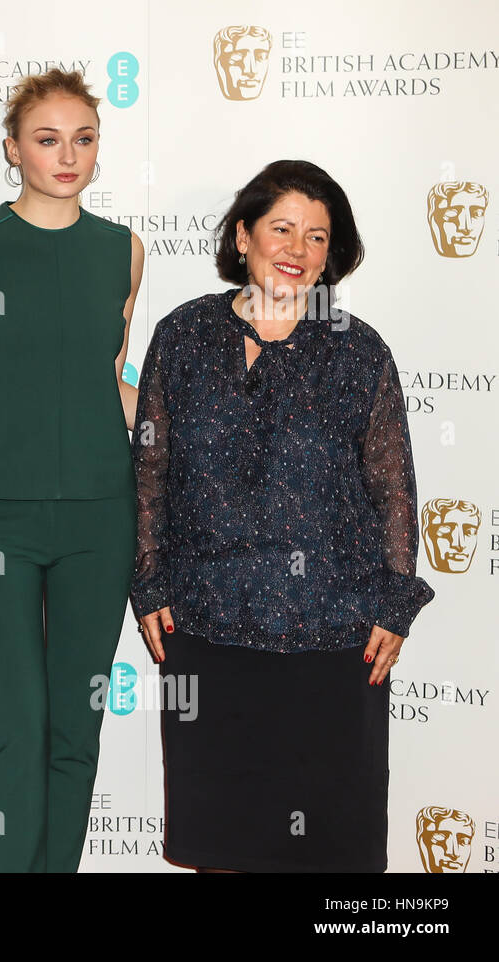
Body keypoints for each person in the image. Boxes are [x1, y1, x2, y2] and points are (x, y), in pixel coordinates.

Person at [131, 159, 435, 873]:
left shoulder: (358, 350)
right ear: (243, 236)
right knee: (222, 846)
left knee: (328, 850)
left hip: (334, 637)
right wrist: (147, 582)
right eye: (283, 229)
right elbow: (150, 471)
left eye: (319, 238)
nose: (299, 250)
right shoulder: (182, 336)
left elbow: (393, 486)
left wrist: (395, 604)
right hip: (208, 630)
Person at [0, 68, 144, 873]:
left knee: (75, 731)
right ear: (12, 148)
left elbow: (107, 378)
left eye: (83, 139)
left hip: (100, 516)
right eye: (48, 139)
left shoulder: (122, 250)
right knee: (16, 724)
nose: (67, 155)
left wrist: (187, 423)